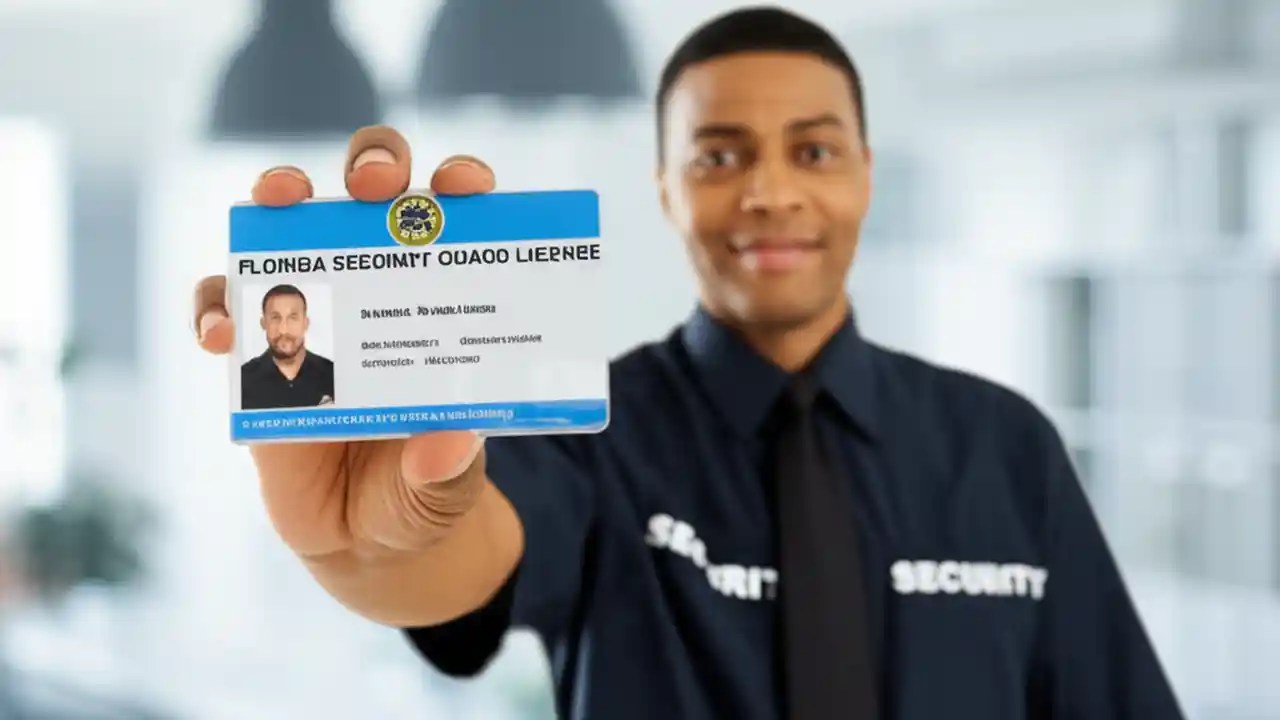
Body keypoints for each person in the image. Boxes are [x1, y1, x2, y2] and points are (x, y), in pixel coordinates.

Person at [193, 7, 1185, 719]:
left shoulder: (1003, 446)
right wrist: (374, 544)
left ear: (864, 176)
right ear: (663, 188)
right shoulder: (588, 426)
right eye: (717, 156)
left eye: (812, 151)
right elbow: (462, 562)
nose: (766, 192)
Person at [240, 283, 335, 410]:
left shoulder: (332, 375)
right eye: (275, 318)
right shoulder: (243, 379)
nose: (283, 330)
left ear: (305, 323)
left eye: (293, 318)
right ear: (263, 323)